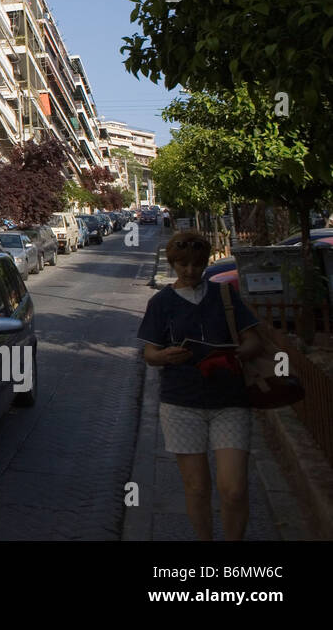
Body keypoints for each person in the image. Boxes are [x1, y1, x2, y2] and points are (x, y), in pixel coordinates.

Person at [137, 230, 263, 540]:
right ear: (173, 264)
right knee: (196, 487)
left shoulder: (224, 296)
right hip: (181, 403)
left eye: (197, 264)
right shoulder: (161, 303)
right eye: (183, 265)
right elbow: (150, 354)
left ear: (205, 262)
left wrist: (236, 352)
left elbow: (253, 341)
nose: (191, 271)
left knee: (233, 488)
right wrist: (165, 355)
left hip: (229, 400)